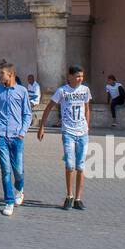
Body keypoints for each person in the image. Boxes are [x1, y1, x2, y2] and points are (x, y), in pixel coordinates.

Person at [38, 65, 92, 210]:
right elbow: (49, 107)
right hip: (68, 132)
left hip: (82, 133)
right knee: (70, 164)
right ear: (69, 77)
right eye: (77, 76)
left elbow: (87, 108)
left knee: (80, 166)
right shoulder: (62, 91)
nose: (80, 78)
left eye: (82, 76)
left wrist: (87, 126)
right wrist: (42, 126)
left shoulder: (85, 90)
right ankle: (69, 196)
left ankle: (78, 198)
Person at [0, 62, 31, 216]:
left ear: (11, 74)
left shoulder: (22, 91)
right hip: (1, 136)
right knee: (5, 170)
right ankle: (9, 201)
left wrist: (22, 132)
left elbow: (27, 114)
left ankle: (20, 189)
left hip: (16, 136)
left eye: (1, 74)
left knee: (17, 169)